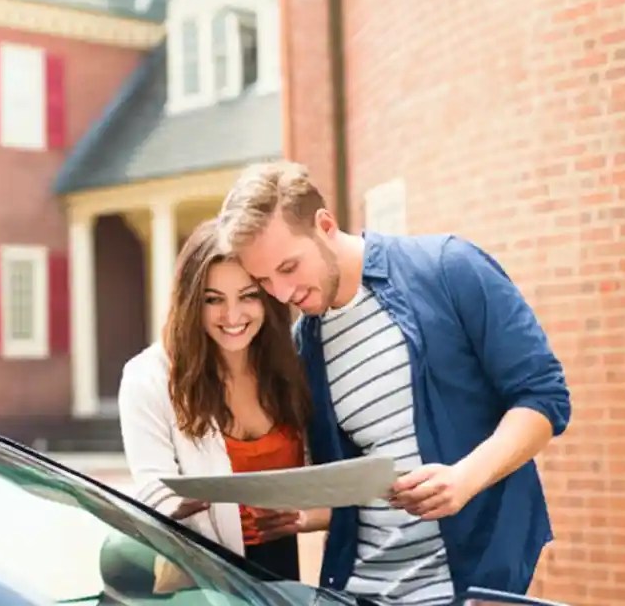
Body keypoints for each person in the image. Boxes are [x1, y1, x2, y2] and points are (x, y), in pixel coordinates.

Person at [214, 161, 572, 604]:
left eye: (289, 267)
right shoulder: (306, 344)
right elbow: (364, 481)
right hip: (359, 587)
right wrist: (308, 515)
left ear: (325, 225)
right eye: (265, 280)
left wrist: (465, 478)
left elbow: (544, 397)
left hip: (466, 582)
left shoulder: (448, 267)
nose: (282, 293)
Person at [117, 218, 325, 586]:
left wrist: (309, 515)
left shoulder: (293, 364)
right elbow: (152, 490)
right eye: (213, 300)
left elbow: (327, 478)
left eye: (248, 296)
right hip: (201, 575)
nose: (232, 316)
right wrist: (178, 505)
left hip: (283, 574)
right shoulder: (147, 378)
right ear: (190, 301)